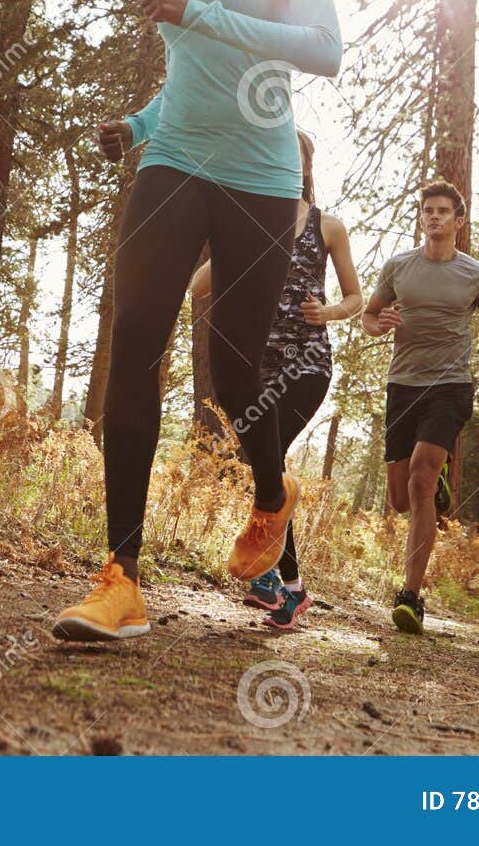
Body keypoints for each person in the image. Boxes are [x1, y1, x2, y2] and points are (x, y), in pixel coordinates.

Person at [52, 0, 342, 641]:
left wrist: (202, 11)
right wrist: (136, 126)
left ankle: (269, 492)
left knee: (236, 374)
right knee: (137, 329)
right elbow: (188, 79)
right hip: (174, 159)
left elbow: (324, 47)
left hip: (258, 177)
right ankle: (122, 577)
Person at [188, 131, 362, 630]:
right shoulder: (250, 223)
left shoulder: (328, 227)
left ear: (307, 167)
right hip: (255, 367)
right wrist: (233, 241)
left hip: (306, 363)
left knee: (272, 459)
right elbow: (199, 288)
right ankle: (291, 588)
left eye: (297, 156)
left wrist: (325, 312)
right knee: (269, 467)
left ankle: (275, 581)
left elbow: (355, 298)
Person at [361, 181, 479, 635]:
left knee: (420, 480)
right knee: (401, 498)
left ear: (458, 222)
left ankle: (410, 595)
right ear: (422, 217)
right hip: (402, 385)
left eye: (444, 211)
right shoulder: (399, 265)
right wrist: (379, 324)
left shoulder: (475, 275)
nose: (435, 217)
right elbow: (369, 316)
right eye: (428, 210)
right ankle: (436, 478)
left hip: (450, 386)